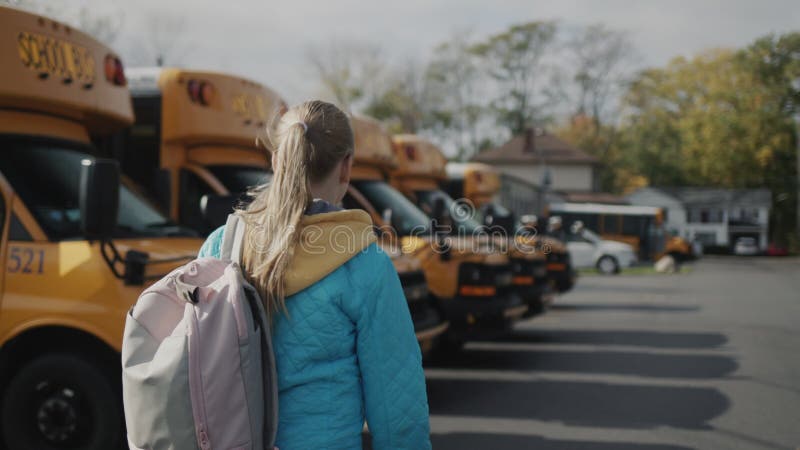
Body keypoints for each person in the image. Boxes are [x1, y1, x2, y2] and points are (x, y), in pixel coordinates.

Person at [198, 100, 431, 450]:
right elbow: (396, 405)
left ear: (277, 160)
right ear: (346, 168)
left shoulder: (222, 244)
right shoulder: (364, 263)